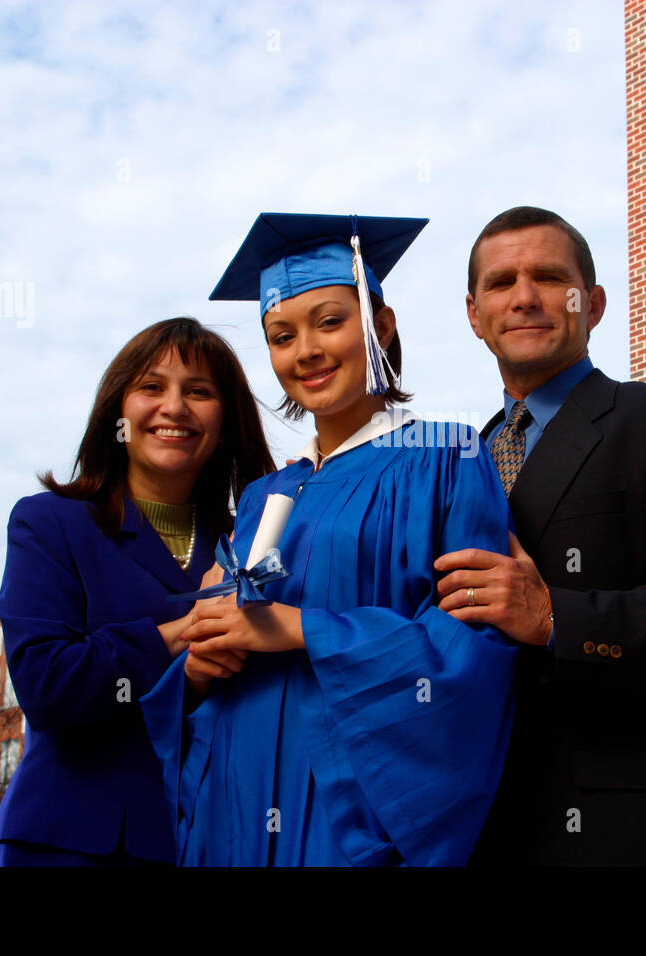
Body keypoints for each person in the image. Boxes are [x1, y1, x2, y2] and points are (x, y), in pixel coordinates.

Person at [140, 213, 518, 866]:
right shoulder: (264, 496)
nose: (305, 351)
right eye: (281, 336)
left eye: (330, 322)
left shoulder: (448, 459)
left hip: (349, 815)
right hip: (232, 806)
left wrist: (300, 629)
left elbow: (472, 645)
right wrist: (194, 672)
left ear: (381, 325)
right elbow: (212, 649)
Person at [435, 206, 646, 866]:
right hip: (469, 830)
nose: (525, 297)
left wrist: (555, 615)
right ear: (474, 315)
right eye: (502, 283)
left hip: (609, 834)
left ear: (591, 303)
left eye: (548, 277)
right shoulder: (458, 464)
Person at [0, 318, 275, 866]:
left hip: (206, 839)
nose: (175, 406)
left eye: (199, 391)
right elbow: (47, 685)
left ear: (226, 422)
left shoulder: (247, 545)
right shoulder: (50, 524)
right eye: (152, 387)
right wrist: (176, 637)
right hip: (71, 843)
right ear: (117, 411)